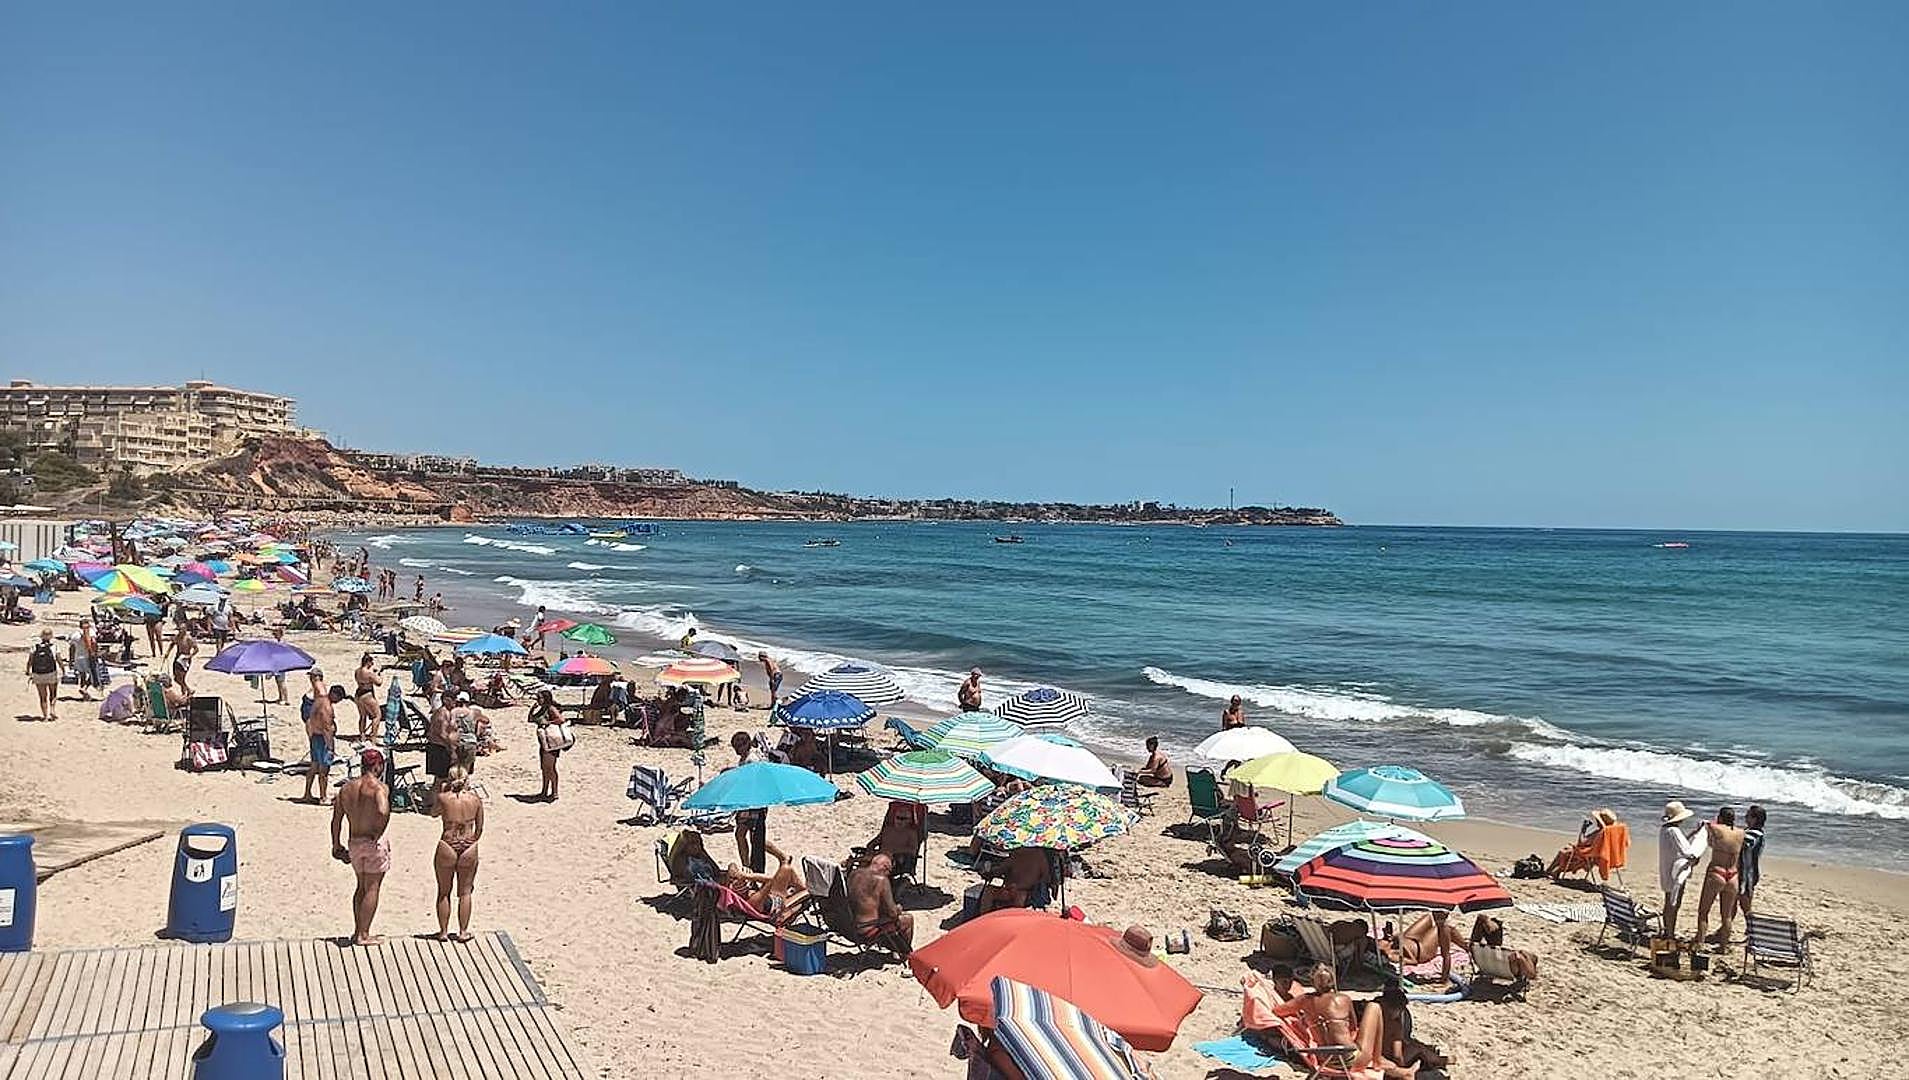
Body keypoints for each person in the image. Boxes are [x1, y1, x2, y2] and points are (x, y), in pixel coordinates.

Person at [1271, 967, 1382, 1076]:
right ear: (1332, 981)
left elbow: (1277, 1011)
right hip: (1352, 1060)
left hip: (1326, 1061)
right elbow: (1353, 1028)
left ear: (1313, 982)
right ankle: (1377, 1061)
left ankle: (1376, 1061)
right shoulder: (1344, 999)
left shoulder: (1304, 1000)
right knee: (1374, 1006)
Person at [332, 746, 392, 946]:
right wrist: (378, 829)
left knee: (360, 887)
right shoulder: (379, 788)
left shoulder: (346, 789)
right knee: (372, 887)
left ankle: (358, 930)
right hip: (372, 841)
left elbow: (336, 820)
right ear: (377, 766)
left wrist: (336, 845)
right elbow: (383, 811)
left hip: (354, 842)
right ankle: (363, 934)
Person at [430, 764, 484, 942]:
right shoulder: (475, 800)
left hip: (448, 843)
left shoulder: (443, 798)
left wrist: (443, 790)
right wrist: (471, 840)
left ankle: (443, 931)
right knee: (465, 892)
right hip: (468, 845)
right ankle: (463, 931)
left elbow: (433, 813)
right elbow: (479, 828)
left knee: (444, 891)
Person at [1693, 806, 1746, 951]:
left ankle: (1700, 943)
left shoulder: (1716, 828)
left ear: (1720, 818)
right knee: (1726, 915)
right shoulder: (1741, 833)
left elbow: (1706, 825)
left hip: (1717, 871)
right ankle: (1723, 946)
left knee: (1703, 911)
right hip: (1733, 875)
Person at [1374, 980, 1451, 1078]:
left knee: (1413, 1045)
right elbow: (1397, 1055)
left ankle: (1436, 1059)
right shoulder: (1394, 1024)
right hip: (1388, 1060)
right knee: (1417, 1047)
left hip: (1374, 1056)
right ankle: (1440, 1060)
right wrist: (1401, 1069)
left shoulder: (1374, 1017)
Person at [846, 852, 913, 957]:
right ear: (885, 868)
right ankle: (904, 954)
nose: (888, 875)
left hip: (848, 926)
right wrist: (898, 909)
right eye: (889, 872)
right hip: (867, 930)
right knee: (908, 919)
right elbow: (892, 913)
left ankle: (893, 948)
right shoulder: (881, 880)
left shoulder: (854, 873)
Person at [1658, 800, 1708, 938]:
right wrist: (1695, 857)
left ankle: (1667, 931)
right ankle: (1670, 934)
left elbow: (1680, 843)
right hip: (1675, 871)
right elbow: (1687, 852)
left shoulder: (1665, 829)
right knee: (1674, 904)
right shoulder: (1674, 831)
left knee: (1668, 901)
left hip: (1666, 869)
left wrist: (1693, 833)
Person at [1378, 910, 1468, 985]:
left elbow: (1389, 941)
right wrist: (1402, 944)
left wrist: (1391, 937)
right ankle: (1466, 947)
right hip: (1422, 951)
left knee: (1428, 917)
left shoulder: (1383, 944)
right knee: (1443, 928)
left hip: (1409, 938)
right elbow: (1413, 961)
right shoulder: (1390, 955)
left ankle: (1466, 945)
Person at [725, 731, 767, 871]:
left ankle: (748, 866)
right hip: (748, 802)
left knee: (748, 835)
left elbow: (751, 781)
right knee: (746, 835)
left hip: (752, 804)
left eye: (738, 747)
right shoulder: (745, 759)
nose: (736, 750)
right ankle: (747, 865)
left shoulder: (751, 760)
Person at [305, 682, 345, 804]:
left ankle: (307, 793)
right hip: (323, 740)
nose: (338, 702)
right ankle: (323, 797)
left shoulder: (318, 700)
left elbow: (310, 719)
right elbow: (327, 729)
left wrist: (311, 734)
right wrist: (331, 747)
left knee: (314, 767)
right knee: (324, 770)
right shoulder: (327, 708)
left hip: (315, 736)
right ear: (334, 694)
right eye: (339, 698)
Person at [980, 847, 1053, 914]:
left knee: (989, 891)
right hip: (1025, 893)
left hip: (1011, 890)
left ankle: (983, 917)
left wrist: (989, 873)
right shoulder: (1041, 856)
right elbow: (1046, 878)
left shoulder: (1018, 852)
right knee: (1020, 898)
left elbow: (1001, 869)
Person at [530, 689, 565, 802]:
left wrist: (548, 723)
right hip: (544, 742)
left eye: (539, 698)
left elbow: (561, 719)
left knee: (550, 768)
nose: (538, 700)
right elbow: (530, 719)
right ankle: (544, 791)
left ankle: (554, 792)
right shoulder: (542, 709)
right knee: (544, 768)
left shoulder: (550, 708)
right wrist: (532, 709)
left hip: (551, 742)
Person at [1737, 805, 1768, 923]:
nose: (1745, 817)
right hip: (1745, 872)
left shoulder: (1755, 834)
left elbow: (1742, 842)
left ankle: (1751, 925)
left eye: (1748, 816)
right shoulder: (1749, 831)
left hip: (1747, 874)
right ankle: (1724, 928)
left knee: (1744, 903)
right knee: (1735, 901)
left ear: (1755, 819)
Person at [26, 628, 59, 721]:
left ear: (41, 636)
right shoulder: (54, 646)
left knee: (42, 696)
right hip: (51, 672)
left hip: (38, 673)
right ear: (51, 636)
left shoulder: (35, 647)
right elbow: (59, 659)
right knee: (53, 693)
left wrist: (28, 670)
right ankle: (52, 709)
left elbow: (30, 660)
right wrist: (63, 669)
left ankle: (45, 716)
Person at [352, 653, 382, 739]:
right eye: (371, 662)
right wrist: (378, 674)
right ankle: (373, 737)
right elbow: (379, 683)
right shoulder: (369, 673)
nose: (372, 664)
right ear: (368, 662)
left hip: (358, 694)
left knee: (362, 716)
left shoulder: (357, 671)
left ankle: (362, 736)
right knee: (377, 716)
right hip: (367, 695)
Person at [267, 625, 290, 704]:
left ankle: (285, 699)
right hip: (277, 664)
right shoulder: (278, 642)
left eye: (275, 634)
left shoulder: (282, 643)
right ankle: (281, 697)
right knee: (278, 682)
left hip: (281, 665)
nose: (274, 635)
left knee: (282, 682)